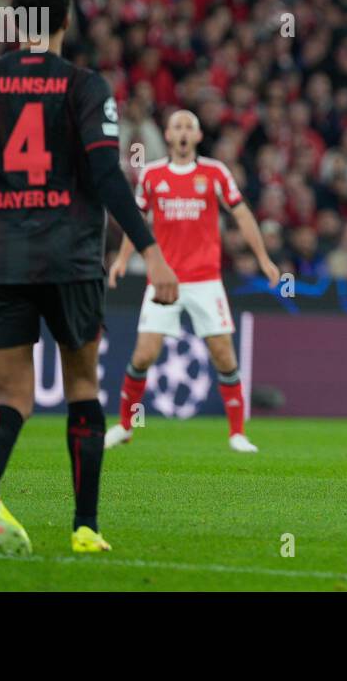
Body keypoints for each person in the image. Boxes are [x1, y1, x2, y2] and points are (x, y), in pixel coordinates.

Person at [0, 0, 179, 555]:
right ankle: (85, 527)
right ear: (66, 20)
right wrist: (150, 250)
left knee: (12, 396)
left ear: (17, 23)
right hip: (70, 260)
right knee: (83, 388)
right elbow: (106, 177)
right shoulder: (85, 86)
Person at [105, 109, 281, 453]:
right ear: (168, 136)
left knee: (224, 356)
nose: (183, 132)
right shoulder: (153, 175)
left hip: (204, 279)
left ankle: (237, 433)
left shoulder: (214, 173)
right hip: (164, 280)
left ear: (198, 137)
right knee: (143, 356)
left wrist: (263, 258)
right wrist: (124, 259)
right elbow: (137, 221)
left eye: (189, 127)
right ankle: (126, 426)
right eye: (177, 127)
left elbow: (241, 212)